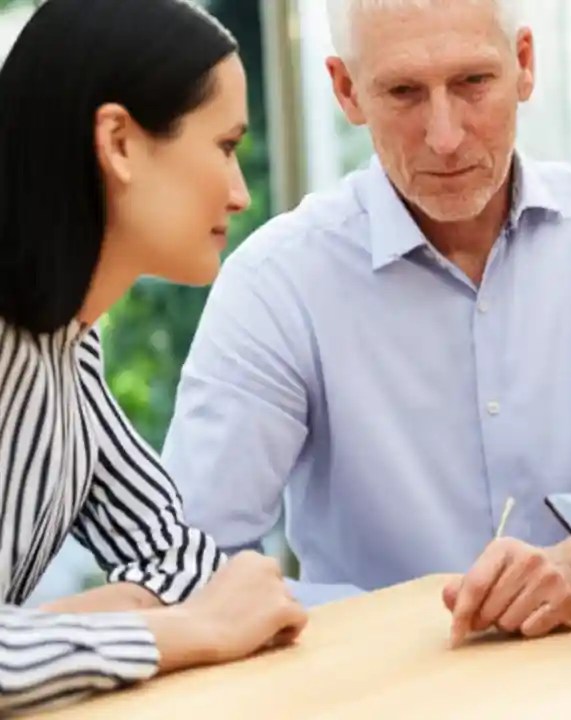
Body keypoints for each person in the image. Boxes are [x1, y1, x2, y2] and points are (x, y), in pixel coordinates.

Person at [162, 0, 571, 643]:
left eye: (473, 83)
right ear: (346, 90)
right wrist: (418, 619)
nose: (444, 136)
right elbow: (197, 562)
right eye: (404, 92)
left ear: (524, 66)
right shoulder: (276, 283)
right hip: (373, 688)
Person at [0, 0, 309, 713]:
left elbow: (180, 558)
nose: (239, 193)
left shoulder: (67, 342)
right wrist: (187, 631)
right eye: (225, 146)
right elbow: (203, 606)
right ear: (118, 142)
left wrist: (36, 635)